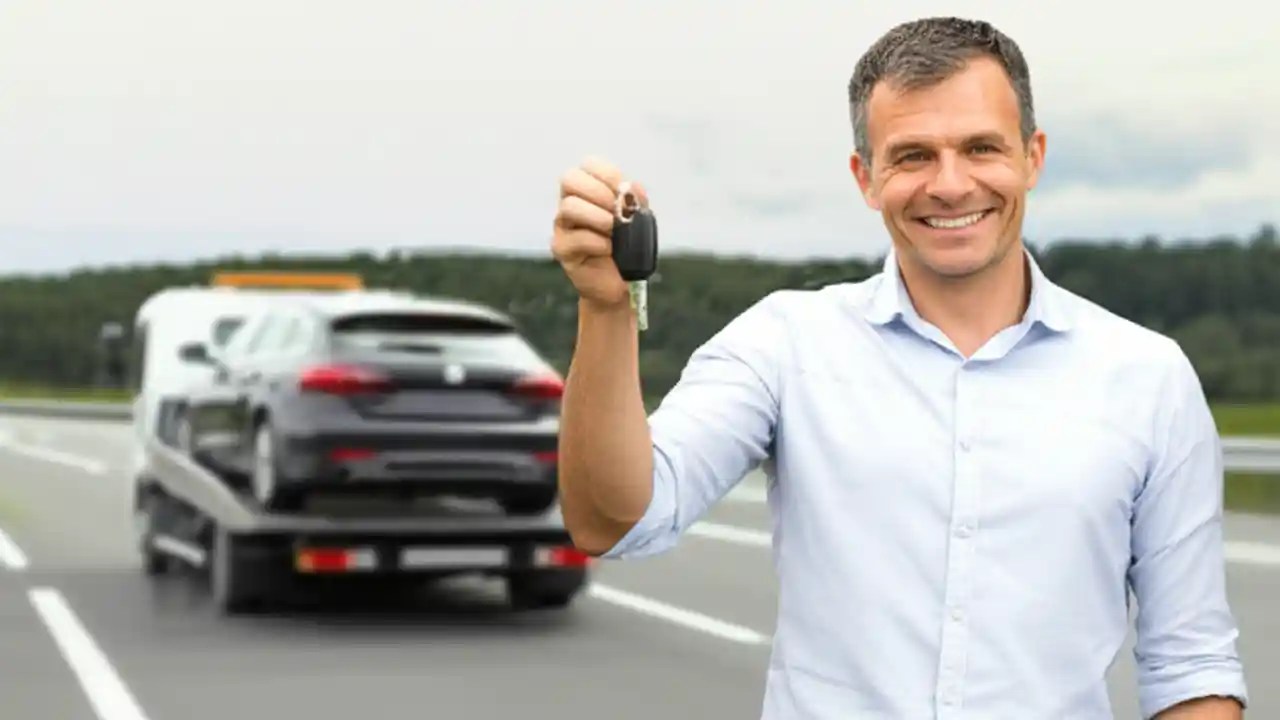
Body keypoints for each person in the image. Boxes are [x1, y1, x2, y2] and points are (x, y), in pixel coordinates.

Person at [550, 15, 1248, 720]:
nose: (950, 185)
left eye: (981, 147)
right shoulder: (786, 343)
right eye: (913, 155)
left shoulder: (1148, 377)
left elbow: (1191, 665)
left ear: (1032, 157)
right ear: (866, 176)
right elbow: (615, 519)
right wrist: (606, 309)